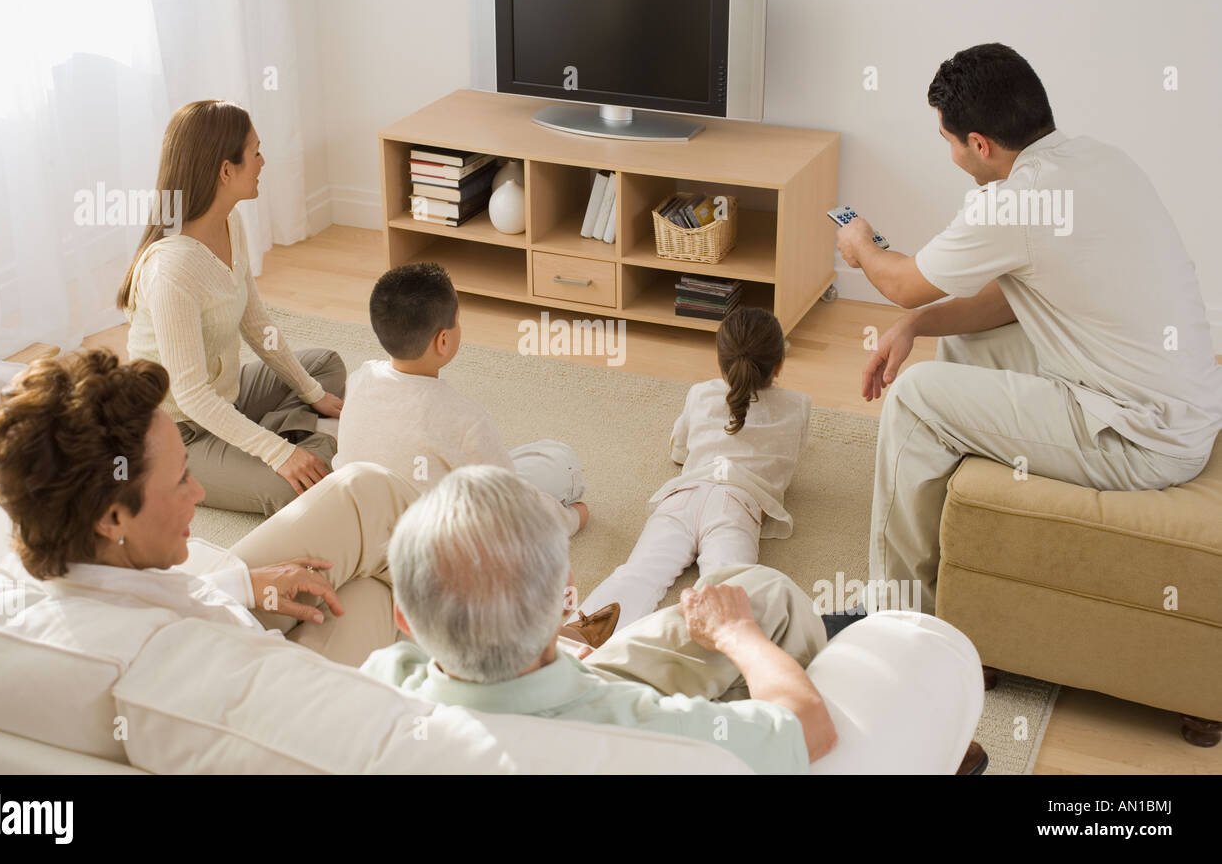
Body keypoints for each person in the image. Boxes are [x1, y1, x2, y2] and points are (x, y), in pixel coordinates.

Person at [834, 42, 1222, 614]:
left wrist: (860, 245)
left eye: (947, 142)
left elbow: (902, 282)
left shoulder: (1016, 205)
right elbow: (1014, 300)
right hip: (1181, 403)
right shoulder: (1101, 160)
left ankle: (894, 615)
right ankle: (963, 523)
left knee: (915, 398)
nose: (949, 155)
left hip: (1142, 439)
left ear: (980, 145)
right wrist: (920, 323)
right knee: (967, 337)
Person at [362, 465, 988, 774]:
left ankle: (820, 625)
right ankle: (830, 637)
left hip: (572, 677)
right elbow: (808, 730)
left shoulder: (378, 681)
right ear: (565, 595)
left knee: (747, 589)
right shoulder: (650, 736)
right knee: (759, 605)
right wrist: (737, 638)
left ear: (404, 620)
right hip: (593, 695)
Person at [0, 348, 418, 668]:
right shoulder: (167, 659)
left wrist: (238, 585)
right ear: (112, 519)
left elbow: (156, 601)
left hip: (216, 619)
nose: (200, 494)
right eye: (181, 479)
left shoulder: (26, 575)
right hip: (272, 684)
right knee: (371, 593)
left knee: (363, 493)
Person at [117, 100, 346, 516]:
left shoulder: (230, 223)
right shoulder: (171, 270)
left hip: (227, 398)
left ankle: (273, 436)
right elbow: (189, 396)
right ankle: (285, 442)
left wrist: (311, 393)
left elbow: (256, 324)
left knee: (325, 366)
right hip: (178, 434)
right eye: (255, 152)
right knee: (294, 490)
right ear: (226, 170)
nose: (262, 161)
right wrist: (277, 453)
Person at [566, 307, 812, 645]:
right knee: (724, 587)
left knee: (637, 573)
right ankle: (703, 654)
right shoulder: (798, 405)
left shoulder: (700, 393)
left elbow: (679, 451)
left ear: (719, 360)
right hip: (735, 506)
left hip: (682, 496)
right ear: (780, 363)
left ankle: (582, 634)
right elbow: (788, 464)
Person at [333, 262, 589, 537]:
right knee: (559, 459)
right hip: (443, 538)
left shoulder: (360, 378)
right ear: (443, 341)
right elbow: (513, 504)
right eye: (458, 320)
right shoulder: (465, 420)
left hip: (364, 523)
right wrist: (572, 519)